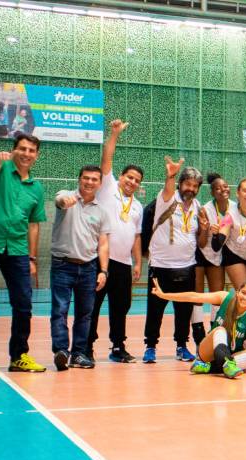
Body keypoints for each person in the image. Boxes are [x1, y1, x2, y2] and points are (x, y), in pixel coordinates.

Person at [0, 133, 47, 376]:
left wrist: (32, 258)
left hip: (17, 250)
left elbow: (34, 225)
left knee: (23, 304)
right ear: (14, 150)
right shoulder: (0, 168)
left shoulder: (36, 188)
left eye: (31, 150)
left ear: (37, 155)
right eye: (22, 149)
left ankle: (19, 356)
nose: (26, 154)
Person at [87, 119, 144, 363]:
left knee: (121, 308)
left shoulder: (138, 206)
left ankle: (118, 347)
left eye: (137, 180)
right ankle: (85, 347)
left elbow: (136, 235)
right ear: (120, 177)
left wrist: (138, 262)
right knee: (93, 305)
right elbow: (107, 158)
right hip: (102, 260)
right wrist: (115, 135)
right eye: (129, 177)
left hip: (123, 264)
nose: (132, 182)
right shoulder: (107, 187)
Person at [143, 157, 210, 364]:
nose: (190, 188)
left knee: (184, 311)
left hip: (187, 267)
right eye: (187, 184)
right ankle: (150, 347)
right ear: (180, 184)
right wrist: (171, 175)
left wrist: (205, 229)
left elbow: (200, 242)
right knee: (155, 309)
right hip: (161, 266)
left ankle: (182, 346)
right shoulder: (167, 200)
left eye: (194, 186)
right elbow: (168, 188)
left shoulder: (198, 207)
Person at [150, 279, 246, 379]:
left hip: (230, 357)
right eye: (243, 293)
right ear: (237, 292)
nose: (245, 297)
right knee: (220, 330)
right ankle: (220, 364)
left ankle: (210, 368)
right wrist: (164, 295)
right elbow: (195, 296)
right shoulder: (225, 298)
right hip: (207, 352)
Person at [50, 166, 110, 370]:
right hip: (62, 265)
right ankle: (61, 351)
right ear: (79, 179)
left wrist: (103, 271)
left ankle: (78, 354)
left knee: (85, 314)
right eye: (86, 178)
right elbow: (59, 200)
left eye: (94, 179)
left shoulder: (101, 211)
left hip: (89, 268)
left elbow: (103, 244)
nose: (90, 182)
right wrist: (64, 202)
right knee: (60, 310)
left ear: (100, 184)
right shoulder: (66, 196)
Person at [190, 173, 232, 346]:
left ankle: (215, 331)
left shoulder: (233, 209)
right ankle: (198, 334)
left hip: (218, 255)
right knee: (198, 297)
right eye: (217, 188)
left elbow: (224, 239)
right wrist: (206, 230)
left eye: (225, 186)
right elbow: (201, 242)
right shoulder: (205, 209)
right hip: (201, 253)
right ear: (212, 192)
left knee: (217, 296)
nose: (222, 189)